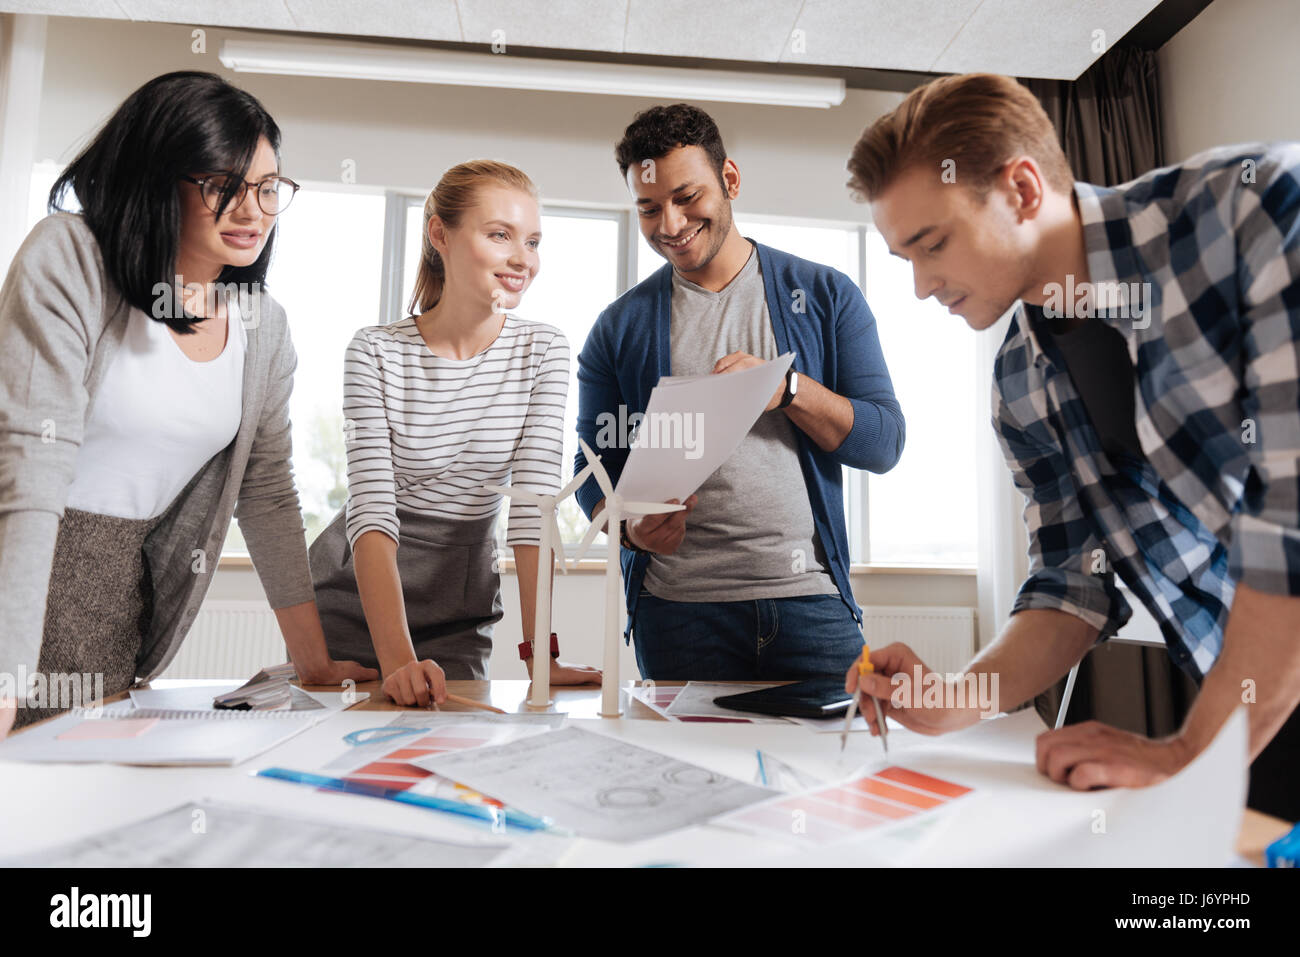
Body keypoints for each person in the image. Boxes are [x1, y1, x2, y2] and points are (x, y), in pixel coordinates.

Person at [844, 72, 1300, 815]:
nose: (922, 285)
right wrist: (956, 696)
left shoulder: (1255, 212)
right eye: (906, 259)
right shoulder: (1019, 382)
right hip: (1255, 707)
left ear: (1022, 190)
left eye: (933, 244)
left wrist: (1187, 752)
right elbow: (1072, 587)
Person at [0, 71, 376, 729]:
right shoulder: (71, 259)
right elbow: (32, 467)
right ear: (154, 178)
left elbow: (267, 493)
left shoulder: (262, 325)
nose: (252, 210)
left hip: (106, 650)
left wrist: (313, 663)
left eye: (266, 188)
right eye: (221, 185)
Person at [574, 104, 905, 681]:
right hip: (677, 615)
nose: (670, 225)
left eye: (687, 197)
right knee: (685, 775)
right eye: (648, 209)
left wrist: (790, 390)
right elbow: (592, 469)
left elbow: (883, 444)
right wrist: (628, 527)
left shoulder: (825, 295)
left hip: (812, 601)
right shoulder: (618, 328)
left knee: (830, 767)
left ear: (730, 180)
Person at [310, 161, 601, 707]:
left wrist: (543, 657)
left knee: (456, 767)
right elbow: (371, 509)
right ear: (440, 234)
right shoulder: (375, 351)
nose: (523, 259)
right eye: (499, 235)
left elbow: (533, 507)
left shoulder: (543, 351)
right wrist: (396, 659)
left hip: (458, 609)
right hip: (356, 606)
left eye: (533, 241)